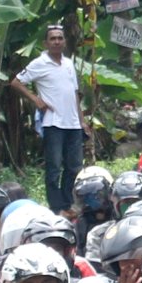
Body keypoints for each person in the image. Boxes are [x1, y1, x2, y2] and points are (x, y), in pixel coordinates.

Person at [10, 24, 91, 213]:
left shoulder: (69, 63)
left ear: (64, 42)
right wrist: (35, 99)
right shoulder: (39, 63)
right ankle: (57, 207)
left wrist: (82, 121)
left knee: (74, 167)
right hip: (53, 123)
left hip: (72, 123)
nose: (56, 41)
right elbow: (16, 82)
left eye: (60, 38)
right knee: (54, 168)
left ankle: (68, 203)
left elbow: (74, 94)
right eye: (52, 38)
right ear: (45, 43)